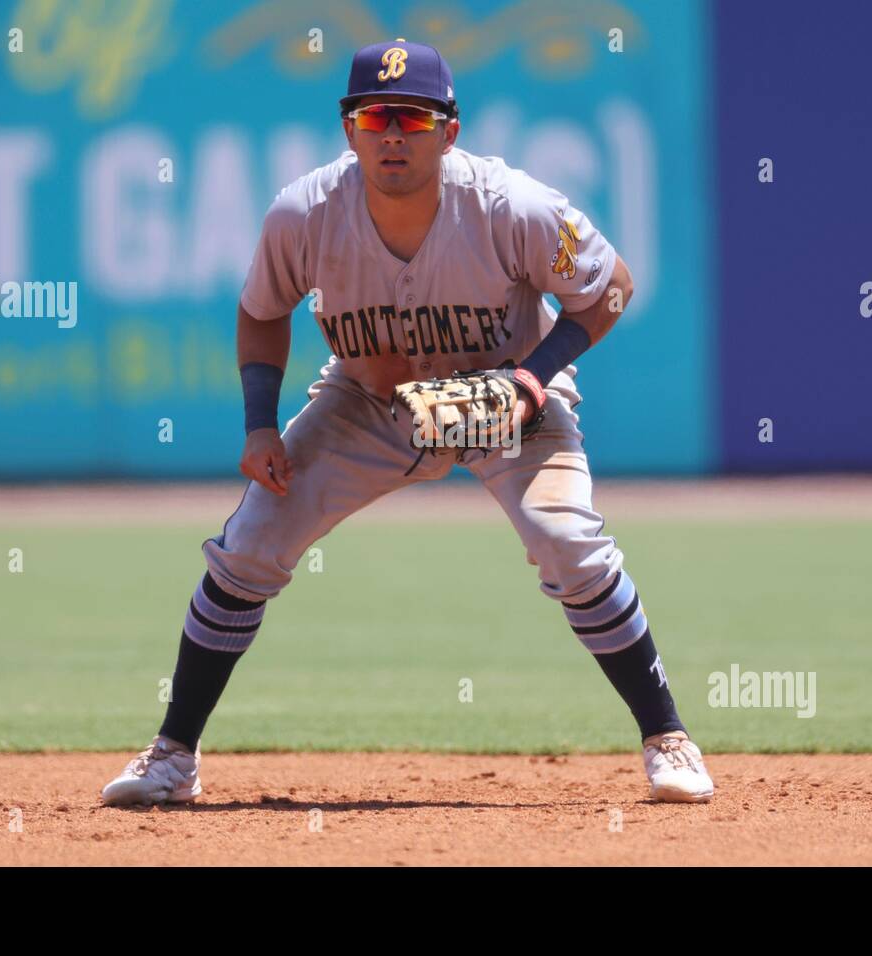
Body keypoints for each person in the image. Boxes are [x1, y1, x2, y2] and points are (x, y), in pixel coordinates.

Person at [101, 39, 714, 807]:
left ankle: (668, 738)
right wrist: (260, 426)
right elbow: (261, 313)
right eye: (375, 116)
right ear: (349, 128)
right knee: (251, 543)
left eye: (412, 119)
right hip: (365, 404)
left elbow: (612, 287)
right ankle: (173, 757)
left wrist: (534, 375)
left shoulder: (510, 206)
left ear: (448, 131)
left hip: (508, 403)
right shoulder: (304, 214)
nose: (392, 133)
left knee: (567, 541)